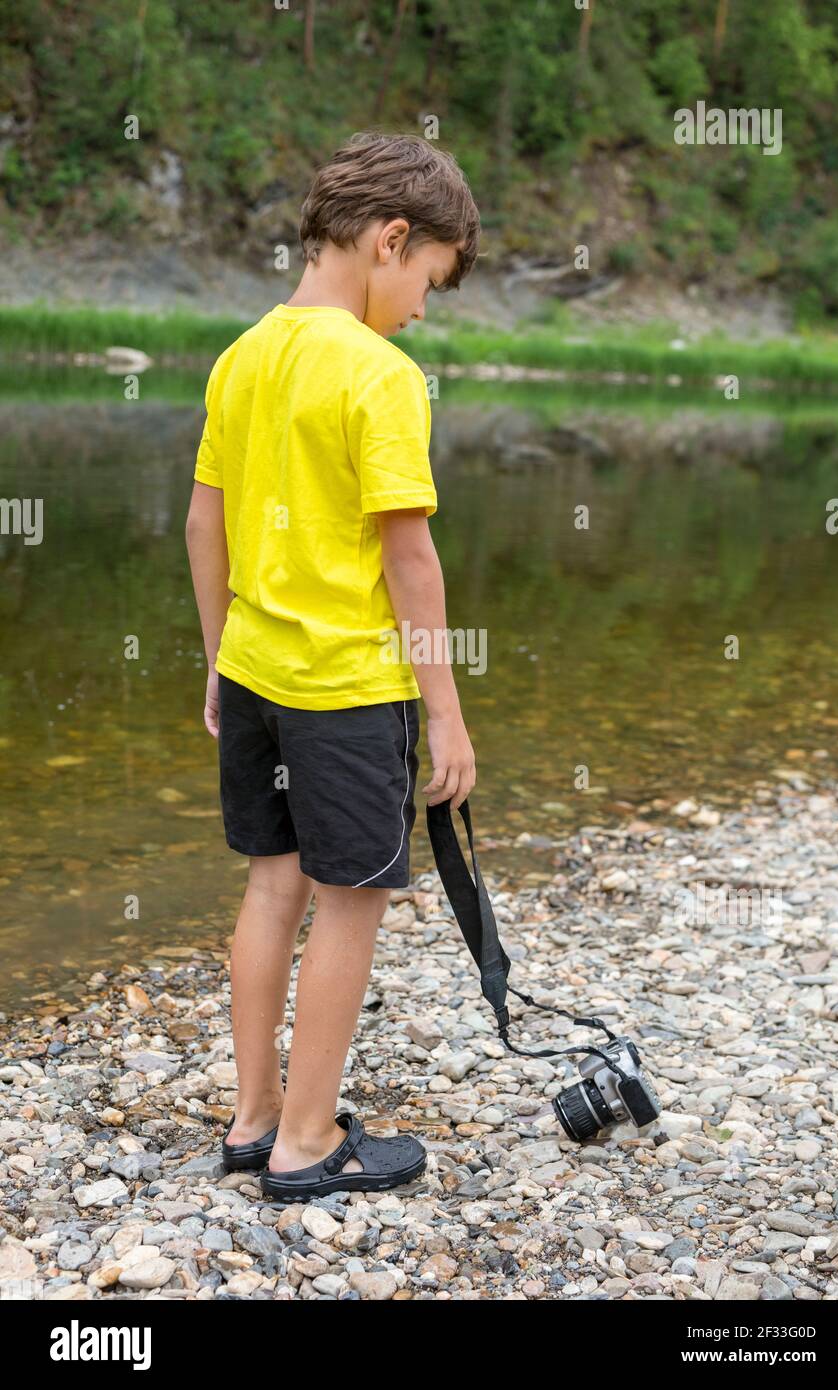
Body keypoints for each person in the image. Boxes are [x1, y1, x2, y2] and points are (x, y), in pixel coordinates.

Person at [184, 131, 481, 1201]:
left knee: (272, 887)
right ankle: (310, 1142)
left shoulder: (242, 354)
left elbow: (203, 520)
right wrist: (444, 715)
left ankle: (253, 1115)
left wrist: (221, 655)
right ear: (391, 240)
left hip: (257, 674)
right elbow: (409, 556)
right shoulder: (379, 374)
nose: (419, 309)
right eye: (428, 282)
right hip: (350, 690)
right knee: (349, 899)